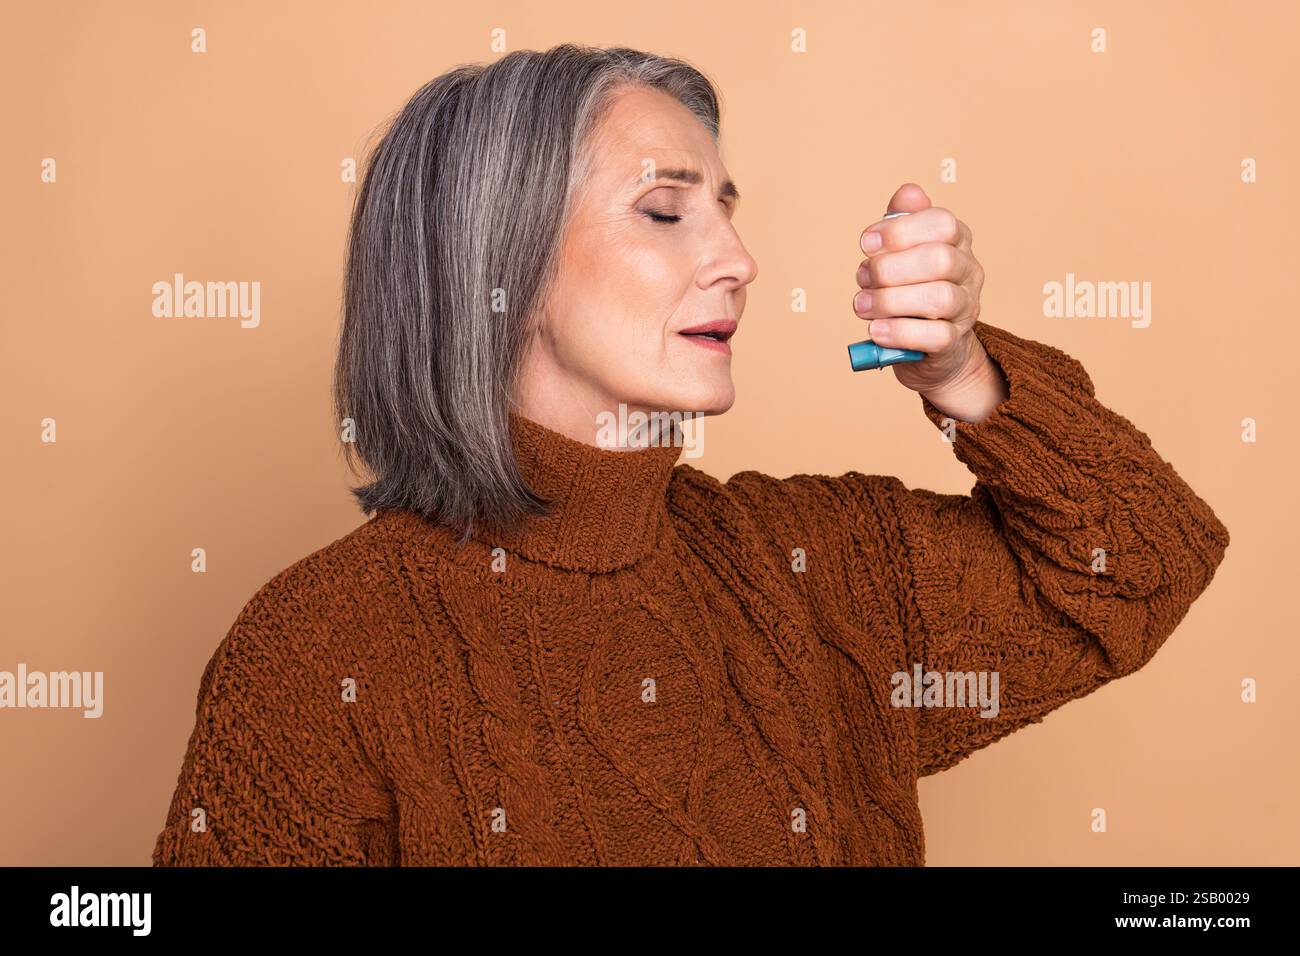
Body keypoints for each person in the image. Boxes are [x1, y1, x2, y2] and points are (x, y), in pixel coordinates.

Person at [152, 44, 1229, 866]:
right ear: (501, 262)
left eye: (725, 208)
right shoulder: (314, 656)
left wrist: (961, 377)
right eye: (665, 210)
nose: (739, 258)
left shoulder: (812, 567)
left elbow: (1144, 563)